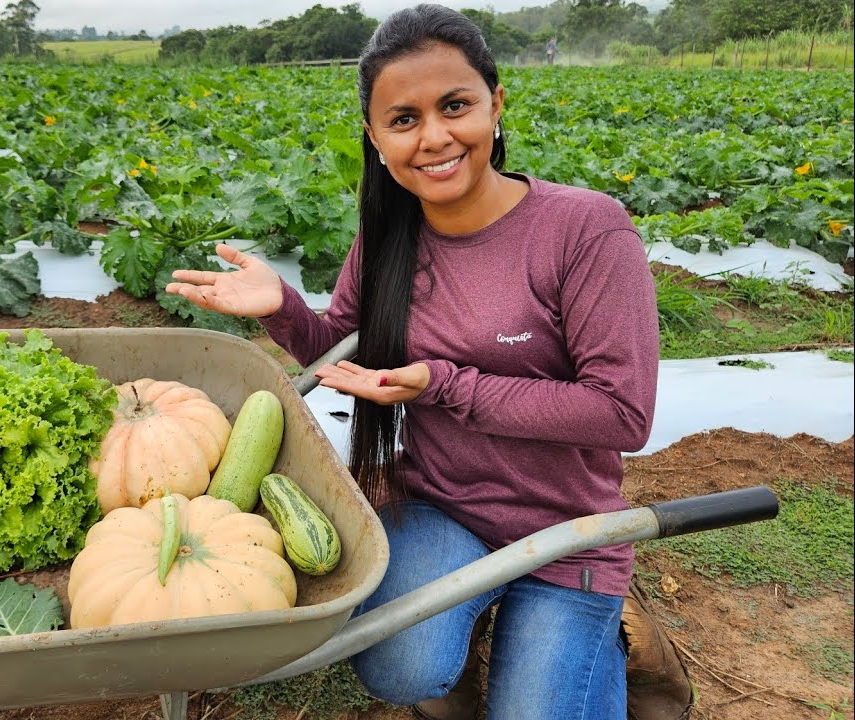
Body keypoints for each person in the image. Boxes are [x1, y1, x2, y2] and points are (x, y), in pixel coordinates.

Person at [166, 5, 690, 720]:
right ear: (375, 136)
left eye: (455, 106)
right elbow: (346, 353)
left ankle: (629, 637)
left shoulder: (585, 229)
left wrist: (444, 385)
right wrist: (280, 306)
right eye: (404, 119)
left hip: (568, 533)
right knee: (402, 666)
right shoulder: (390, 236)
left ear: (496, 104)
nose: (434, 137)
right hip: (442, 508)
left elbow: (621, 413)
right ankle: (464, 645)